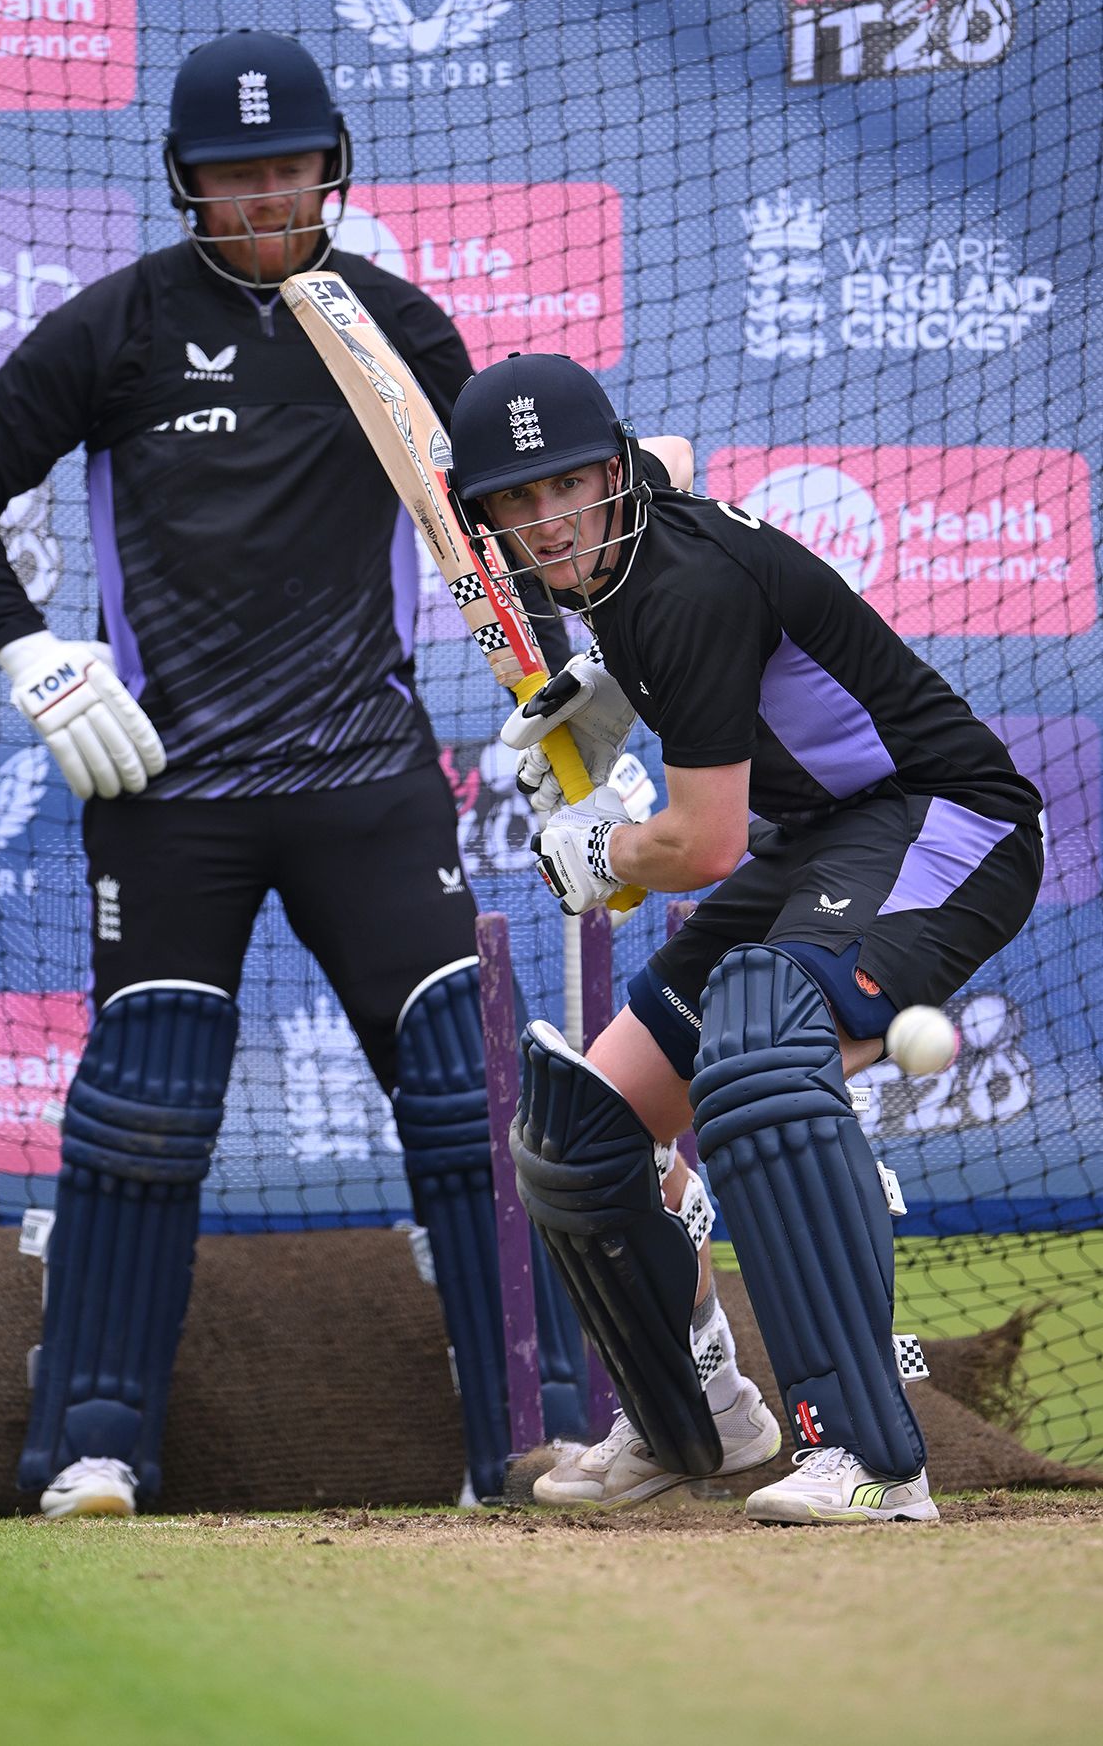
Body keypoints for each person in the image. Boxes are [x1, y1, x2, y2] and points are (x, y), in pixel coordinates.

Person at [0, 31, 587, 1517]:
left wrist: (564, 699)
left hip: (369, 784)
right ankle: (92, 1439)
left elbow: (492, 531)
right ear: (187, 183)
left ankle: (532, 1438)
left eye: (288, 168)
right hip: (171, 792)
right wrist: (35, 655)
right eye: (234, 174)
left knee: (473, 1097)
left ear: (332, 169)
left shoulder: (397, 325)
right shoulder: (122, 326)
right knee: (146, 1110)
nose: (265, 195)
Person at [445, 351, 1043, 1522]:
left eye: (566, 486)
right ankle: (697, 1418)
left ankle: (871, 1456)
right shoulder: (628, 521)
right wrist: (600, 679)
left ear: (606, 473)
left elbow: (703, 845)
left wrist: (599, 851)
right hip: (817, 839)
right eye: (513, 502)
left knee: (758, 1045)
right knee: (579, 1133)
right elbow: (667, 458)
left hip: (938, 818)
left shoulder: (682, 590)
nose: (547, 522)